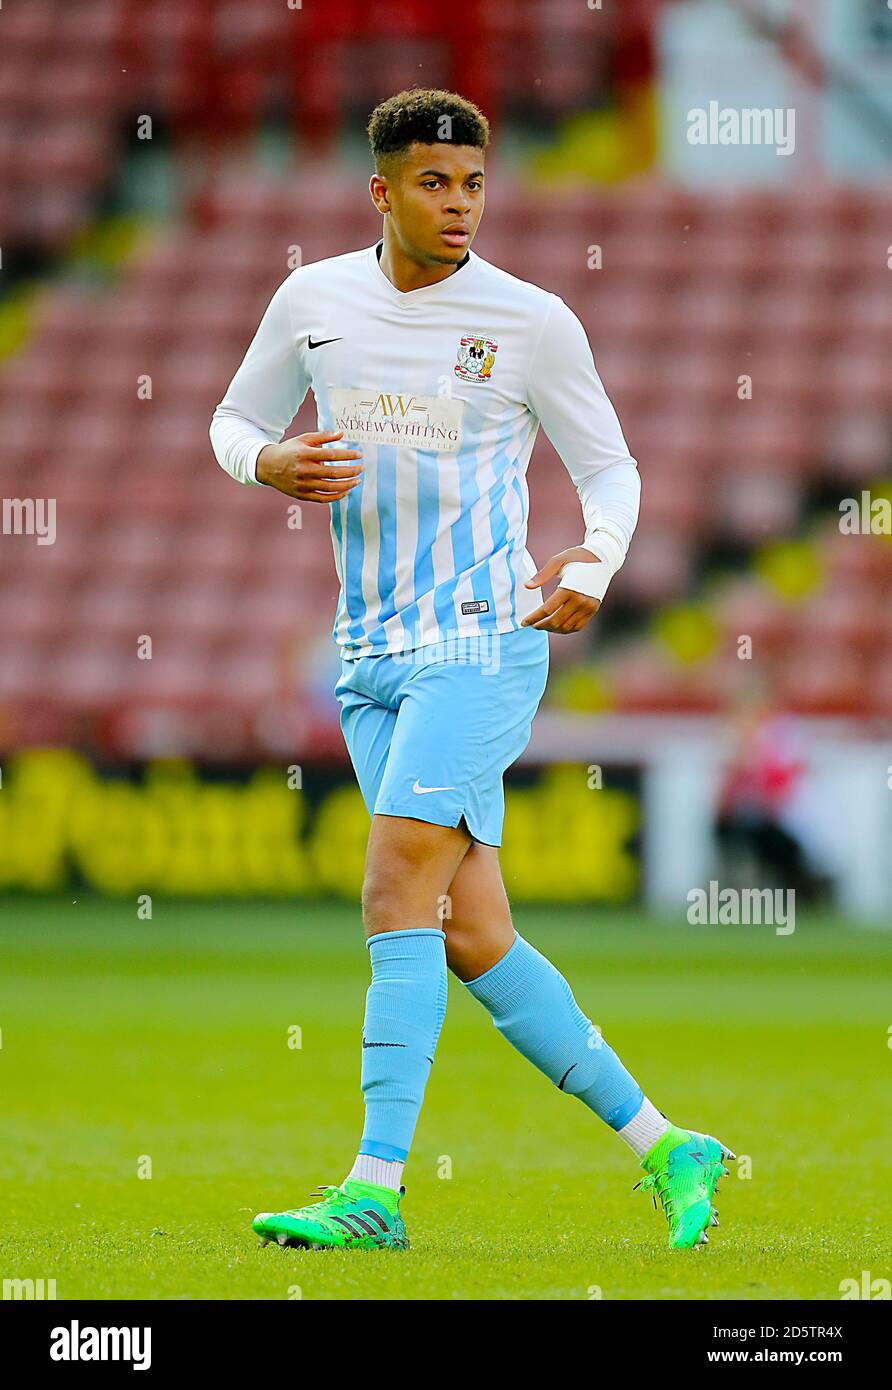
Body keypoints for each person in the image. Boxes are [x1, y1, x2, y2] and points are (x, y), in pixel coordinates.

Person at [210, 88, 734, 1253]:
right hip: (367, 656)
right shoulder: (312, 300)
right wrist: (265, 463)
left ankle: (374, 1189)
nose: (459, 204)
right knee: (466, 930)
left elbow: (610, 468)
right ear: (380, 190)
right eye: (434, 183)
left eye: (474, 183)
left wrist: (596, 560)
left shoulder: (531, 320)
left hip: (481, 640)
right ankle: (667, 1144)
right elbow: (232, 420)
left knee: (393, 886)